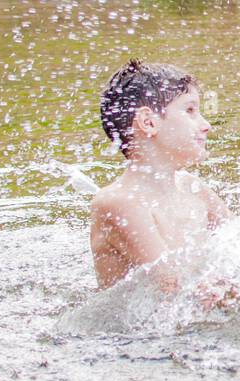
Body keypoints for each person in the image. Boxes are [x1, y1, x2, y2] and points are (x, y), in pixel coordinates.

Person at [90, 61, 232, 295]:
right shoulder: (119, 203)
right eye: (190, 111)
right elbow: (172, 286)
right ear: (148, 122)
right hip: (134, 332)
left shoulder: (192, 188)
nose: (205, 125)